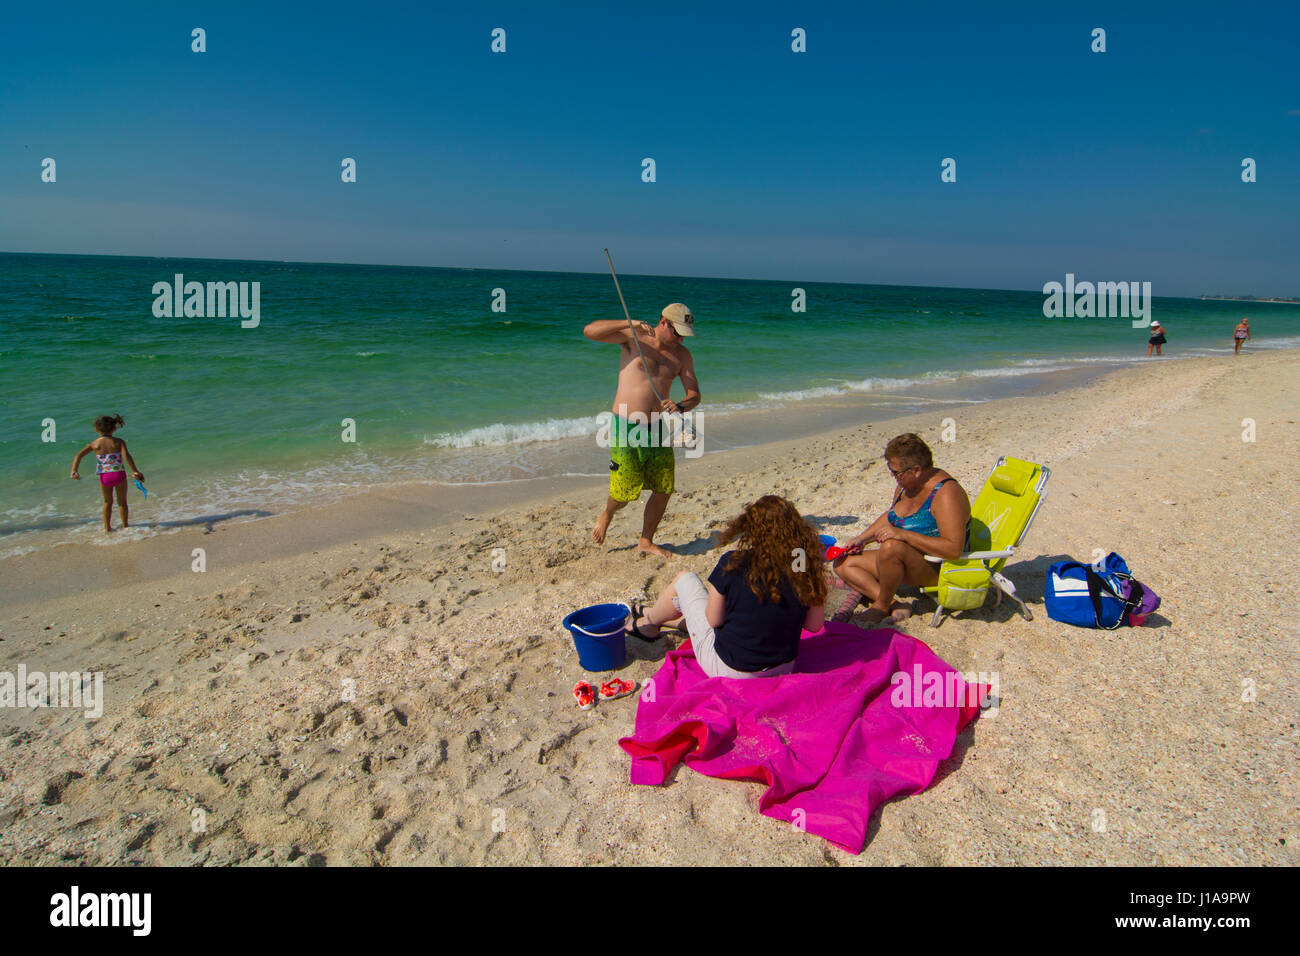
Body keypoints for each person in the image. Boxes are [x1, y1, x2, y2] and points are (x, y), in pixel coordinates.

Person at [625, 495, 826, 678]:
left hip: (732, 669)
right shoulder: (802, 566)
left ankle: (650, 623)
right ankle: (656, 615)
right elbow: (814, 625)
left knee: (685, 579)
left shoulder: (734, 562)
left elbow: (713, 620)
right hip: (784, 667)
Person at [584, 303, 701, 557]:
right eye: (677, 332)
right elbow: (590, 331)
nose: (681, 338)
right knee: (624, 494)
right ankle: (608, 513)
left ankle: (646, 540)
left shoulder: (682, 356)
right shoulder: (634, 339)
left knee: (664, 487)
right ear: (663, 322)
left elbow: (695, 395)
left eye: (684, 334)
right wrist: (631, 323)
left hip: (657, 428)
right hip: (625, 426)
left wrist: (680, 405)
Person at [831, 433, 971, 626]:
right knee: (842, 563)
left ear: (916, 470)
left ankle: (880, 606)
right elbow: (892, 517)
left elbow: (954, 549)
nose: (892, 475)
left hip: (938, 568)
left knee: (891, 547)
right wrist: (862, 539)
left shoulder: (945, 494)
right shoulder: (906, 485)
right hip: (906, 559)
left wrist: (903, 535)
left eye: (896, 471)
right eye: (891, 469)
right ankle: (895, 604)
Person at [70, 415, 145, 533]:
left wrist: (74, 471)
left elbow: (78, 455)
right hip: (119, 475)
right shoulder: (119, 442)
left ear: (96, 429)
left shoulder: (94, 444)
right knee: (122, 502)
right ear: (114, 428)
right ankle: (125, 526)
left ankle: (107, 528)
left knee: (107, 502)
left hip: (105, 477)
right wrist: (135, 471)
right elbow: (126, 456)